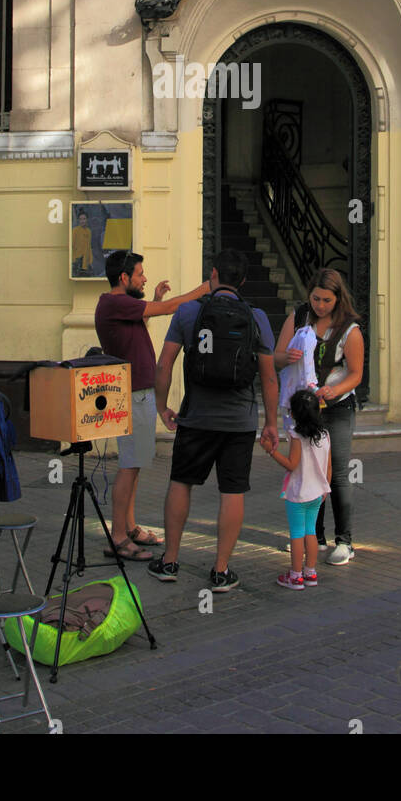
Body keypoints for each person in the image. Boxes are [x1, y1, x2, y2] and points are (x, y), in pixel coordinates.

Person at [149, 248, 279, 592]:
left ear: (214, 274)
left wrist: (162, 407)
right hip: (239, 421)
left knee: (181, 482)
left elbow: (164, 365)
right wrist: (272, 423)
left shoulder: (188, 311)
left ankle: (170, 561)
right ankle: (221, 571)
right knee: (232, 491)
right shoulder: (257, 317)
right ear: (244, 281)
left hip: (195, 418)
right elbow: (268, 377)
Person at [94, 250, 210, 561]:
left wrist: (153, 299)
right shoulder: (114, 301)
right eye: (140, 274)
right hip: (131, 394)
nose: (144, 278)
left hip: (137, 393)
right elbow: (171, 308)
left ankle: (129, 527)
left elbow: (140, 322)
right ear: (124, 278)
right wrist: (204, 288)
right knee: (128, 467)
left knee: (134, 465)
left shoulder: (120, 306)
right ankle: (118, 537)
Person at [274, 267, 363, 565]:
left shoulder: (349, 328)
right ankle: (315, 536)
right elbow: (276, 356)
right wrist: (288, 357)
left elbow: (356, 374)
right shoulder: (299, 317)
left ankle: (345, 541)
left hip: (336, 407)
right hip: (305, 408)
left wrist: (333, 391)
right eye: (316, 298)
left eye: (327, 300)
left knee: (336, 471)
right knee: (308, 469)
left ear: (338, 298)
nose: (320, 305)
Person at [262, 387, 331, 590]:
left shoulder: (296, 436)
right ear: (318, 410)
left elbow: (292, 464)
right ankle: (310, 572)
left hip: (298, 492)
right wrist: (325, 487)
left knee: (297, 533)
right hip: (318, 492)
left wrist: (271, 452)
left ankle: (295, 575)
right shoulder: (325, 435)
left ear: (292, 414)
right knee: (311, 532)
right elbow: (329, 465)